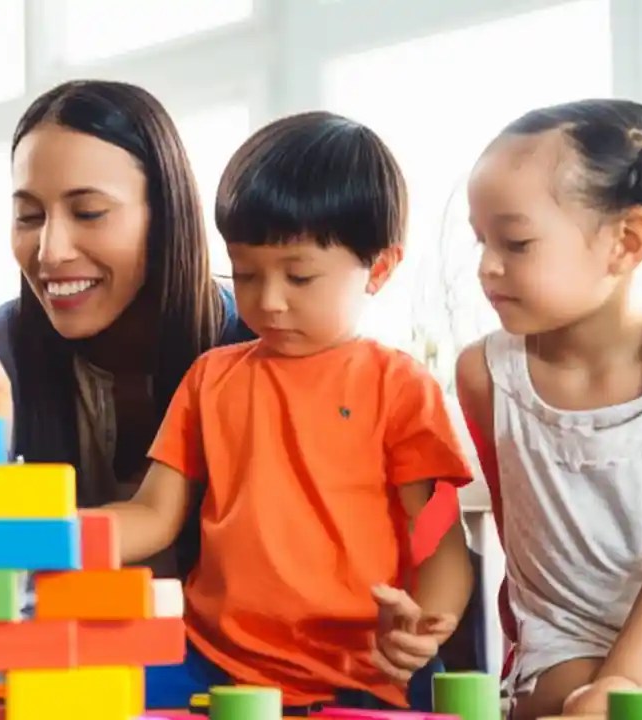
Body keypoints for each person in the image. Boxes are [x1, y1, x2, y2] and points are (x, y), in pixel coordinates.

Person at [102, 111, 475, 713]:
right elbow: (153, 514)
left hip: (358, 674)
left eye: (299, 276)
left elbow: (437, 537)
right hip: (207, 659)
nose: (269, 301)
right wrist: (49, 534)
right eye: (246, 274)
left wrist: (430, 622)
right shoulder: (211, 378)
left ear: (378, 269)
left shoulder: (399, 385)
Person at [0, 79, 252, 579]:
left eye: (89, 212)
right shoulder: (5, 349)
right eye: (28, 216)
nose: (50, 251)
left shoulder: (254, 345)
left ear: (165, 216)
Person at [456, 99, 642, 718]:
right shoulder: (486, 374)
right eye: (481, 240)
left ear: (625, 241)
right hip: (560, 646)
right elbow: (521, 542)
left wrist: (624, 683)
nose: (486, 266)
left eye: (516, 241)